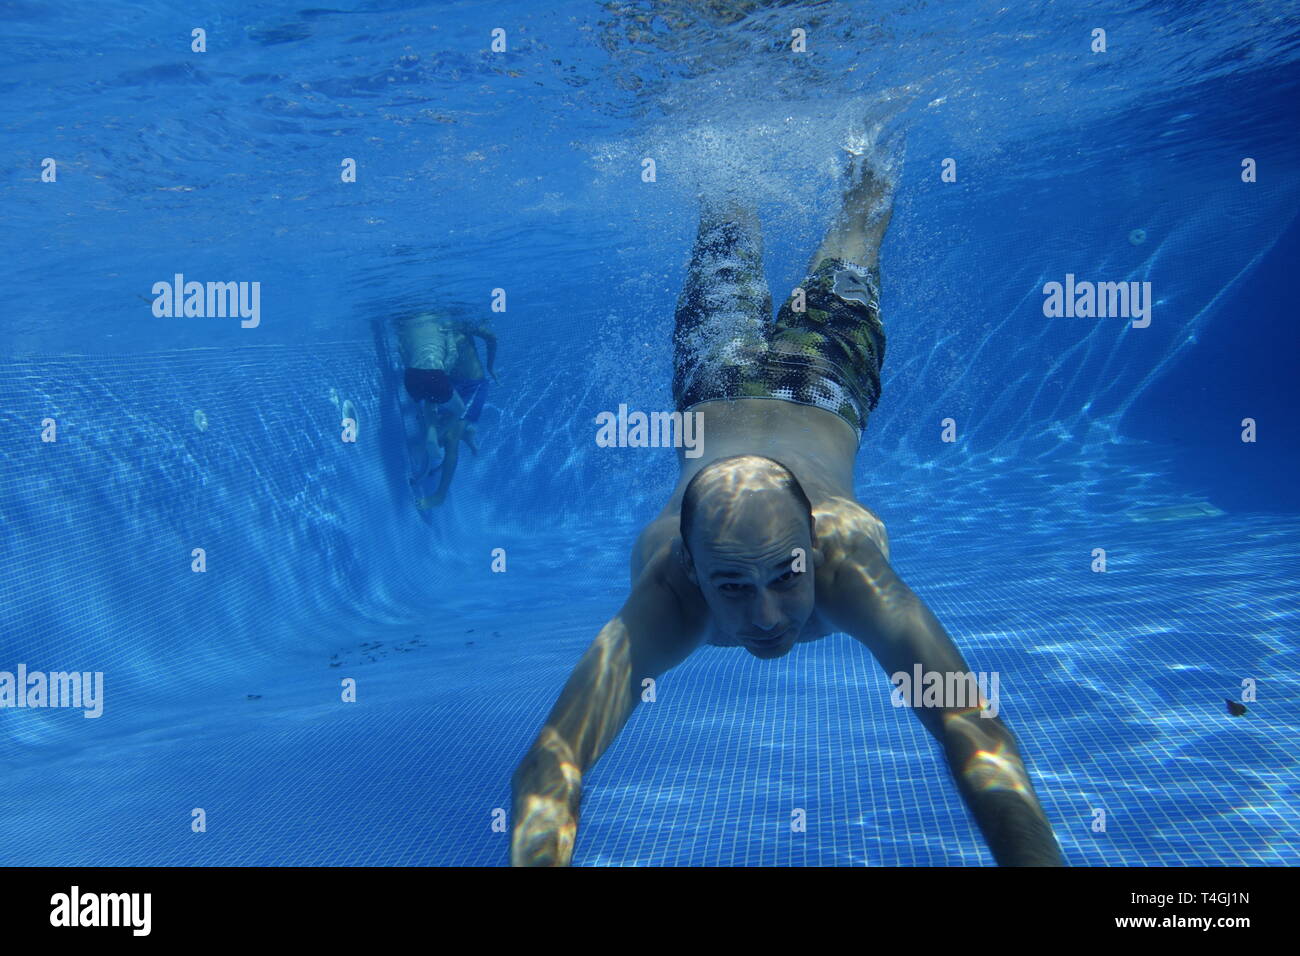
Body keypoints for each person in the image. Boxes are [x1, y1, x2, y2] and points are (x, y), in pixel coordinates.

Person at [510, 141, 1066, 867]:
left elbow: (970, 726)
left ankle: (851, 118)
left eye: (785, 574)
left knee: (751, 222)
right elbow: (552, 765)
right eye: (732, 587)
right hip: (821, 376)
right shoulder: (672, 597)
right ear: (693, 568)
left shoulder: (849, 568)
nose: (768, 618)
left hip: (727, 378)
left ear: (817, 542)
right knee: (843, 231)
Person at [398, 312, 496, 508]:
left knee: (451, 440)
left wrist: (490, 367)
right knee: (440, 426)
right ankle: (466, 433)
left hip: (472, 386)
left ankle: (440, 496)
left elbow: (492, 338)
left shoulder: (463, 322)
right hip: (448, 382)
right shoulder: (433, 327)